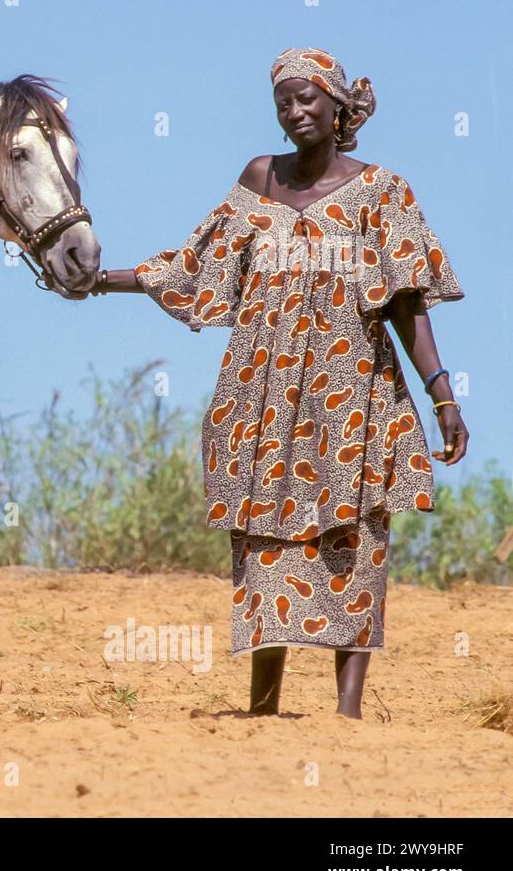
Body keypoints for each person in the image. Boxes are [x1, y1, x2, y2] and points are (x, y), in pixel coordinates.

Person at [92, 48, 467, 718]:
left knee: (352, 541)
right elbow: (193, 266)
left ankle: (346, 717)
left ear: (336, 105)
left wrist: (442, 394)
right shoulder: (258, 179)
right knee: (266, 541)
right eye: (284, 104)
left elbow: (406, 302)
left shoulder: (382, 191)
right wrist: (101, 280)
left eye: (308, 100)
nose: (295, 114)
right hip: (262, 395)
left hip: (351, 393)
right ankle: (263, 710)